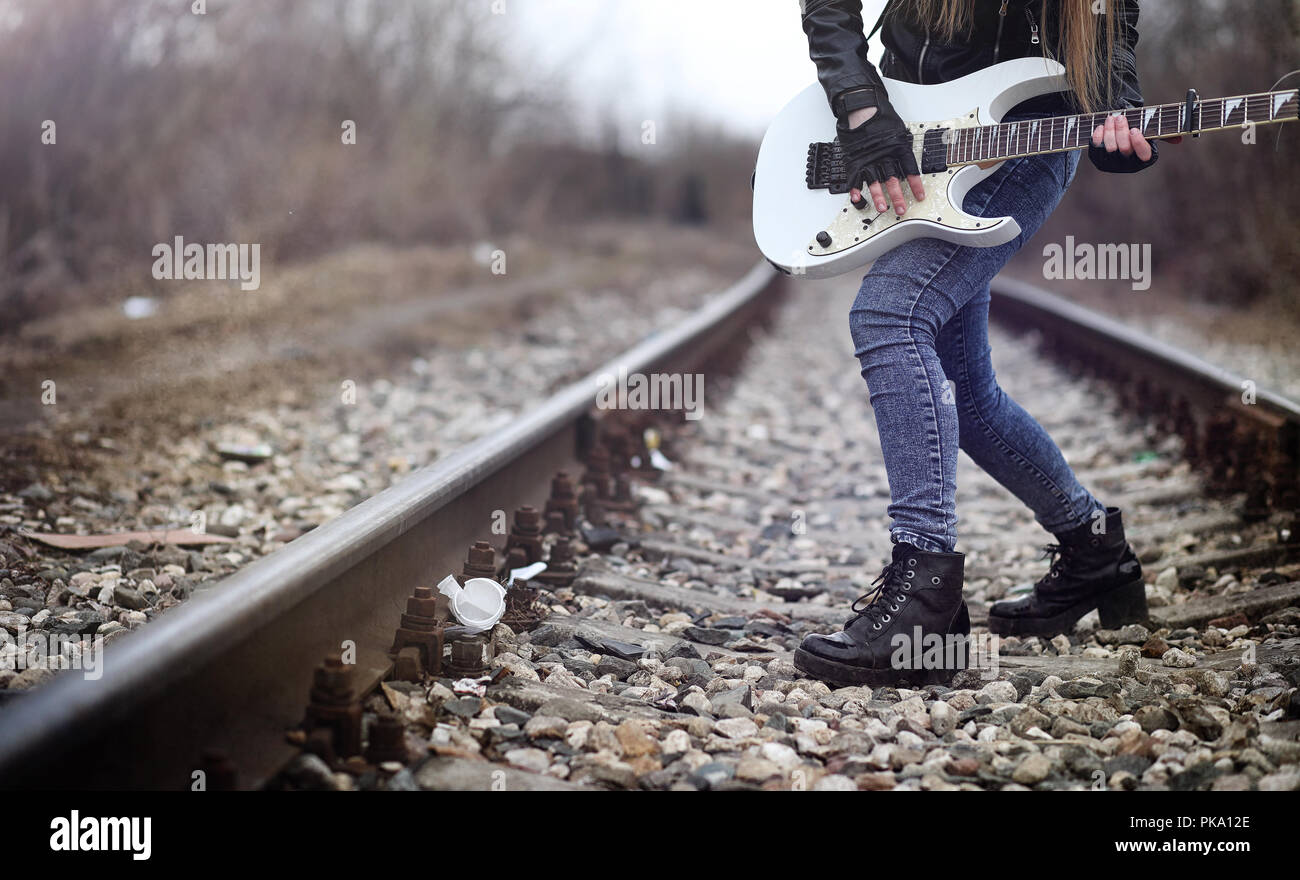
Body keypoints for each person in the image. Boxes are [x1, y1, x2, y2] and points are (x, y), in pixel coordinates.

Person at [793, 0, 1179, 687]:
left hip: (1026, 136)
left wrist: (1118, 106)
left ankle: (926, 596)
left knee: (889, 316)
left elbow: (1108, 19)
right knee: (965, 393)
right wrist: (860, 107)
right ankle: (1095, 553)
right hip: (914, 129)